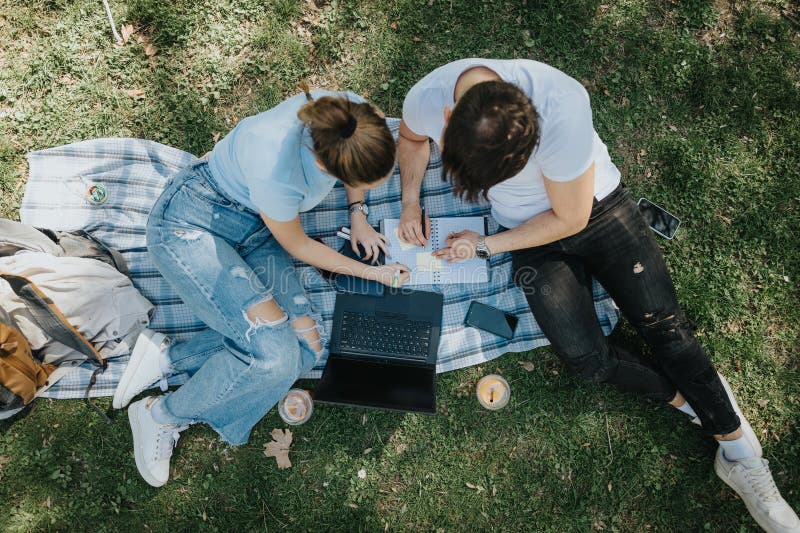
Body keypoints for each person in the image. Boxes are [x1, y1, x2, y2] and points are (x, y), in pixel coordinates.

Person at [397, 58, 798, 533]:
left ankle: (737, 450)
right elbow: (409, 139)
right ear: (448, 118)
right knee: (588, 362)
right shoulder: (428, 97)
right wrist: (409, 201)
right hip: (529, 235)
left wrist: (483, 244)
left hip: (596, 209)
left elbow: (570, 219)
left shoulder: (560, 105)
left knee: (665, 326)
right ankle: (693, 401)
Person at [113, 86, 410, 487]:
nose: (367, 186)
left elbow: (352, 161)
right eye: (357, 182)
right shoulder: (277, 171)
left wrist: (358, 213)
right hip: (191, 226)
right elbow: (299, 245)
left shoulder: (348, 113)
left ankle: (168, 359)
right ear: (326, 167)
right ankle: (160, 414)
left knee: (307, 348)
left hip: (257, 227)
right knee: (274, 359)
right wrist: (374, 273)